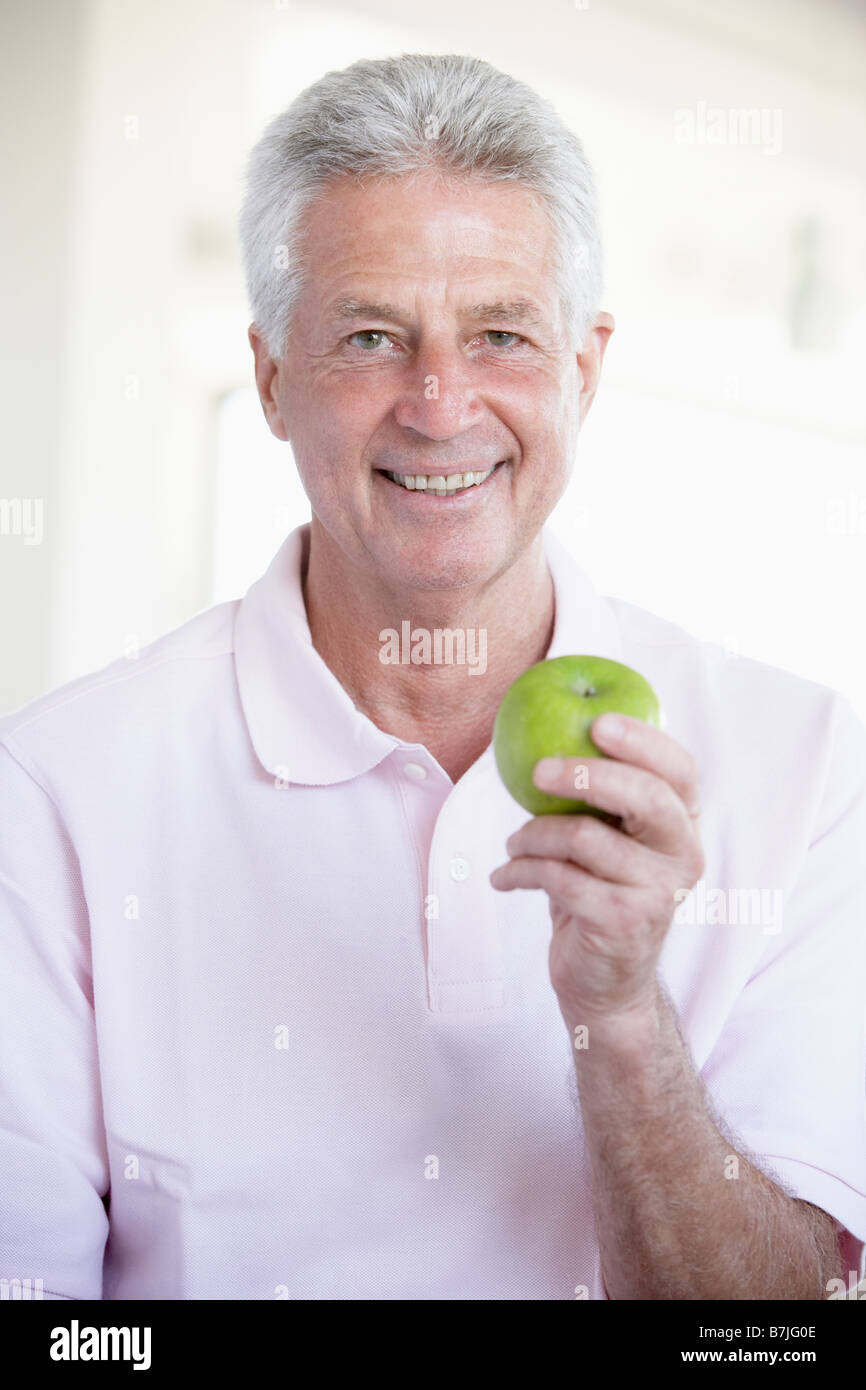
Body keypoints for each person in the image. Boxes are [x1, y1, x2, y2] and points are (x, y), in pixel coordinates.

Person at [1, 53, 864, 1301]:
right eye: (369, 336)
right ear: (271, 379)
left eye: (501, 334)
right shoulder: (53, 794)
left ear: (582, 369)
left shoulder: (806, 768)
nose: (439, 402)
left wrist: (620, 1017)